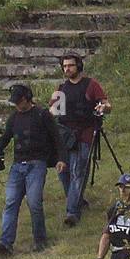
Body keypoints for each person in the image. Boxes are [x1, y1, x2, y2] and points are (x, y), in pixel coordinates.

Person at [0, 84, 66, 256]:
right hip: (17, 165)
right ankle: (5, 243)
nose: (17, 105)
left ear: (27, 99)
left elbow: (56, 137)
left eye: (19, 101)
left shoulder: (42, 114)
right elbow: (6, 137)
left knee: (34, 202)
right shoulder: (14, 118)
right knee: (11, 202)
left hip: (37, 164)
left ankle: (40, 240)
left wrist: (61, 159)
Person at [49, 53, 111, 226]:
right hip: (64, 135)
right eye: (65, 66)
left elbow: (107, 104)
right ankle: (78, 200)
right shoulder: (61, 88)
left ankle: (72, 212)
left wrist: (102, 108)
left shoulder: (91, 85)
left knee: (78, 172)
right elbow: (53, 110)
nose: (67, 69)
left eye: (71, 65)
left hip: (84, 134)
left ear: (79, 66)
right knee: (63, 173)